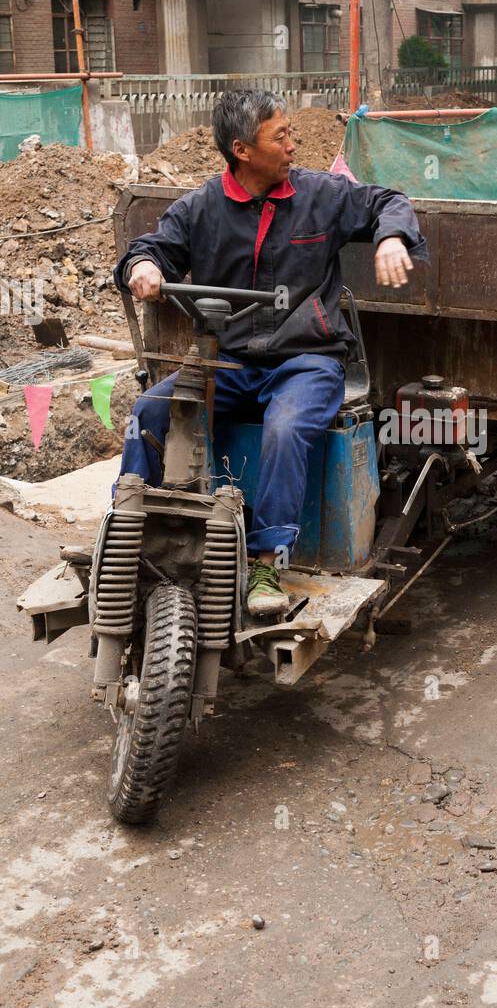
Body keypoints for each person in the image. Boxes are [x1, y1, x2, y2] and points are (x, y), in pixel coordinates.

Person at [114, 89, 427, 615]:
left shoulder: (320, 195)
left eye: (290, 134)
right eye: (280, 136)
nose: (293, 145)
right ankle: (132, 540)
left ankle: (265, 563)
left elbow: (387, 201)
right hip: (230, 363)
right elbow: (150, 249)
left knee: (285, 426)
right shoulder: (200, 208)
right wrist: (142, 266)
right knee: (151, 410)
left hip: (309, 360)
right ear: (242, 149)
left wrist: (391, 238)